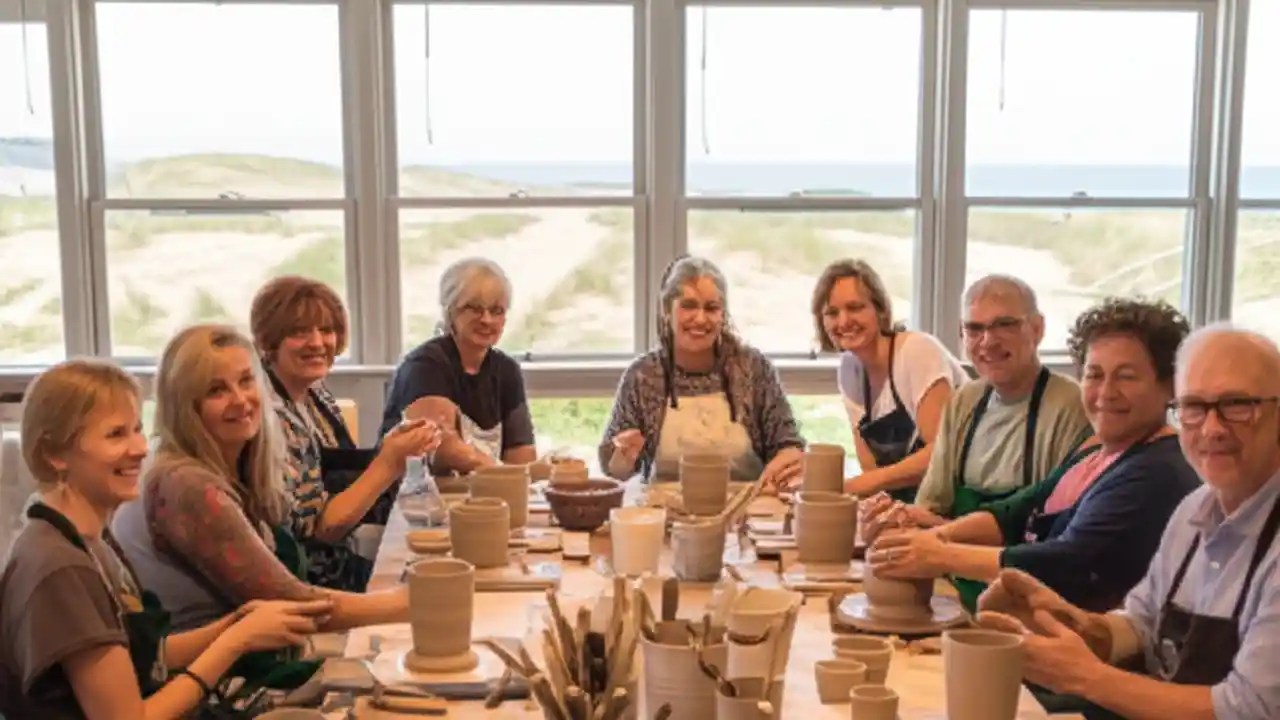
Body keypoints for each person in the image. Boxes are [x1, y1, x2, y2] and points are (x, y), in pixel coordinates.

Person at [978, 325, 1280, 720]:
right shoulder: (1195, 511)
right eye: (1194, 406)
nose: (1212, 429)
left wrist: (1084, 676)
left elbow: (1250, 708)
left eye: (1237, 405)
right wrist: (1074, 624)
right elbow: (1143, 623)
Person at [0, 359, 331, 719]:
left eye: (137, 429)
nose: (140, 448)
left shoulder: (89, 539)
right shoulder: (61, 568)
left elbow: (143, 657)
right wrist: (236, 642)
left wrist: (236, 623)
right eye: (116, 435)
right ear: (54, 455)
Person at [868, 298, 1200, 613]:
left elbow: (1069, 562)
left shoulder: (1160, 470)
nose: (1106, 393)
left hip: (1084, 642)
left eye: (1126, 377)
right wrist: (934, 535)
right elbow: (1014, 513)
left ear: (1171, 386)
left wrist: (941, 555)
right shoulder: (1095, 450)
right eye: (1094, 375)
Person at [113, 325, 410, 637]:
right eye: (216, 390)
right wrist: (412, 602)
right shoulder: (187, 486)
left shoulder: (237, 465)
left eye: (246, 381)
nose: (240, 400)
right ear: (185, 406)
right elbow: (290, 602)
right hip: (221, 662)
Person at [250, 276, 440, 591]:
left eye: (326, 330)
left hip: (344, 552)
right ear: (268, 340)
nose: (317, 343)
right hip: (306, 579)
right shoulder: (271, 418)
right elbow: (321, 530)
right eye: (299, 332)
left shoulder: (315, 393)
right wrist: (388, 463)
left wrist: (396, 445)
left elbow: (344, 474)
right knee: (432, 589)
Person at [864, 274, 1092, 536]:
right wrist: (898, 516)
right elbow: (930, 505)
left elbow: (1051, 534)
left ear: (1037, 329)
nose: (988, 341)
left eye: (1004, 325)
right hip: (946, 555)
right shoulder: (964, 401)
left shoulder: (1071, 406)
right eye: (974, 329)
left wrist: (942, 531)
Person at [599, 255, 805, 487]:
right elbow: (614, 469)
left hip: (745, 504)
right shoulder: (643, 376)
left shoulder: (752, 369)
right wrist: (623, 455)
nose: (700, 319)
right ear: (667, 310)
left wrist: (788, 459)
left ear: (723, 315)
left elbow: (788, 444)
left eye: (711, 308)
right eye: (688, 306)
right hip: (665, 504)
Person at [808, 259, 968, 501]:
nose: (844, 321)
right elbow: (871, 470)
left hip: (961, 496)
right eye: (832, 313)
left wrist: (854, 486)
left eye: (855, 308)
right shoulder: (850, 369)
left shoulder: (917, 350)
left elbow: (941, 453)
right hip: (912, 501)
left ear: (880, 309)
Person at [380, 258, 536, 474]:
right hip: (416, 492)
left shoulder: (507, 370)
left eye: (497, 310)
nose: (487, 320)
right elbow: (442, 447)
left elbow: (522, 457)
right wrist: (501, 474)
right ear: (450, 311)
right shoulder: (424, 365)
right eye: (474, 309)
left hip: (481, 490)